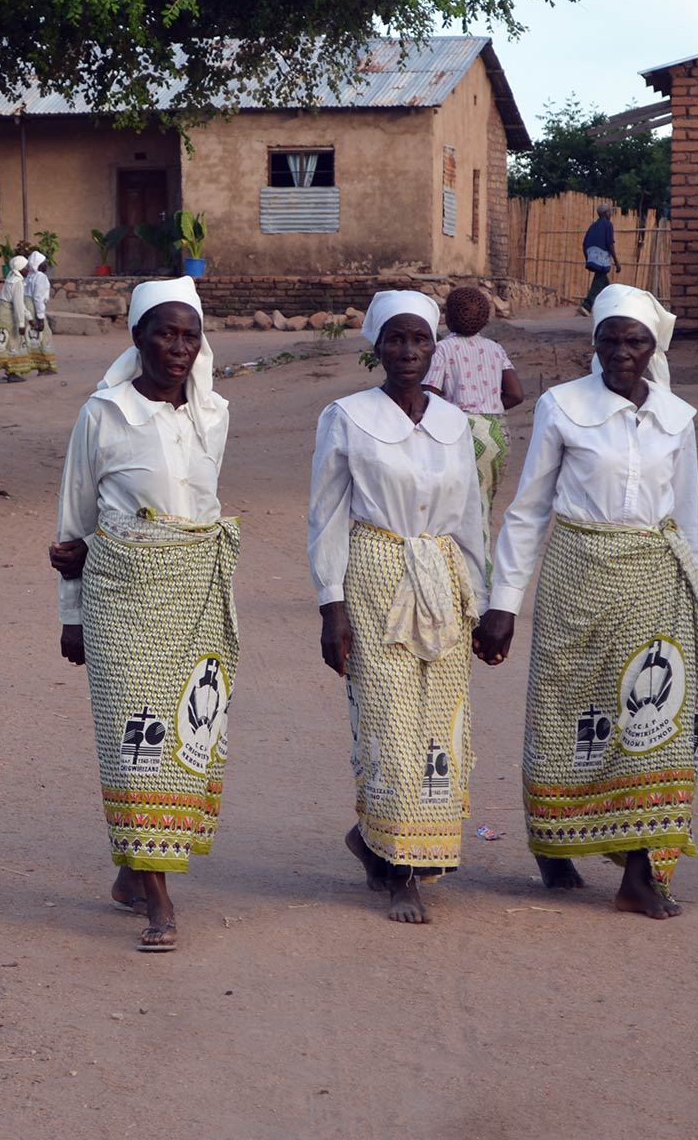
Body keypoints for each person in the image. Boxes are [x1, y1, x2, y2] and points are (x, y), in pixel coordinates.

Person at [471, 284, 698, 920]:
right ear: (593, 345)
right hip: (577, 575)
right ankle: (554, 841)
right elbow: (529, 509)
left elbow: (686, 516)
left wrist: (697, 598)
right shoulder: (561, 408)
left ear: (653, 347)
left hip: (655, 580)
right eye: (610, 339)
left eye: (635, 341)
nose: (622, 352)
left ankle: (639, 870)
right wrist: (504, 604)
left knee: (651, 716)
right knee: (565, 709)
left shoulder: (677, 419)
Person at [49, 276, 236, 953]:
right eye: (165, 332)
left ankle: (133, 871)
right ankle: (158, 896)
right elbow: (73, 523)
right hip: (122, 598)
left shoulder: (213, 414)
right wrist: (70, 617)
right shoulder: (103, 414)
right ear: (137, 339)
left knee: (193, 730)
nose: (179, 347)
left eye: (190, 334)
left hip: (196, 593)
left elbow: (203, 507)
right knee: (139, 738)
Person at [309, 290, 487, 925]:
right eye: (396, 340)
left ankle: (387, 848)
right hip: (375, 574)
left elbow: (470, 516)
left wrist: (485, 601)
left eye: (420, 340)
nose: (408, 351)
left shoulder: (454, 423)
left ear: (435, 349)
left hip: (441, 581)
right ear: (376, 347)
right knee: (387, 722)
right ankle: (400, 869)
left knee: (439, 724)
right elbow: (326, 516)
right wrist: (331, 607)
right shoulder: (347, 417)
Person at [423, 285, 523, 553]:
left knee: (458, 510)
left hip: (463, 431)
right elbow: (516, 394)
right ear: (486, 318)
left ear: (448, 317)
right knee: (483, 507)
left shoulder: (443, 349)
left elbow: (429, 395)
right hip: (496, 432)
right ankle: (483, 570)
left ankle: (469, 575)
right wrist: (488, 406)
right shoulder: (494, 348)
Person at [0, 253, 32, 382]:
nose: (28, 270)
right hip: (6, 314)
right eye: (26, 267)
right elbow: (18, 304)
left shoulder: (11, 278)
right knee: (12, 342)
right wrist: (21, 323)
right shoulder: (17, 282)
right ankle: (11, 373)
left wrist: (29, 317)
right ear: (20, 269)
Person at [579, 203, 619, 314]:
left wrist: (588, 258)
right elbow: (610, 243)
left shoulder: (593, 226)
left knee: (604, 282)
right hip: (601, 255)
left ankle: (612, 305)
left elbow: (584, 243)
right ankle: (587, 305)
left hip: (591, 253)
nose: (611, 214)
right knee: (599, 279)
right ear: (606, 213)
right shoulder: (608, 225)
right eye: (610, 212)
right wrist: (616, 262)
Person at [23, 253, 58, 375]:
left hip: (26, 308)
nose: (47, 265)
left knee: (31, 338)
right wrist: (41, 318)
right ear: (39, 265)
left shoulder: (29, 276)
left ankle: (34, 364)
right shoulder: (41, 277)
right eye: (44, 262)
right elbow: (38, 298)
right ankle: (46, 366)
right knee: (44, 336)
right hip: (34, 309)